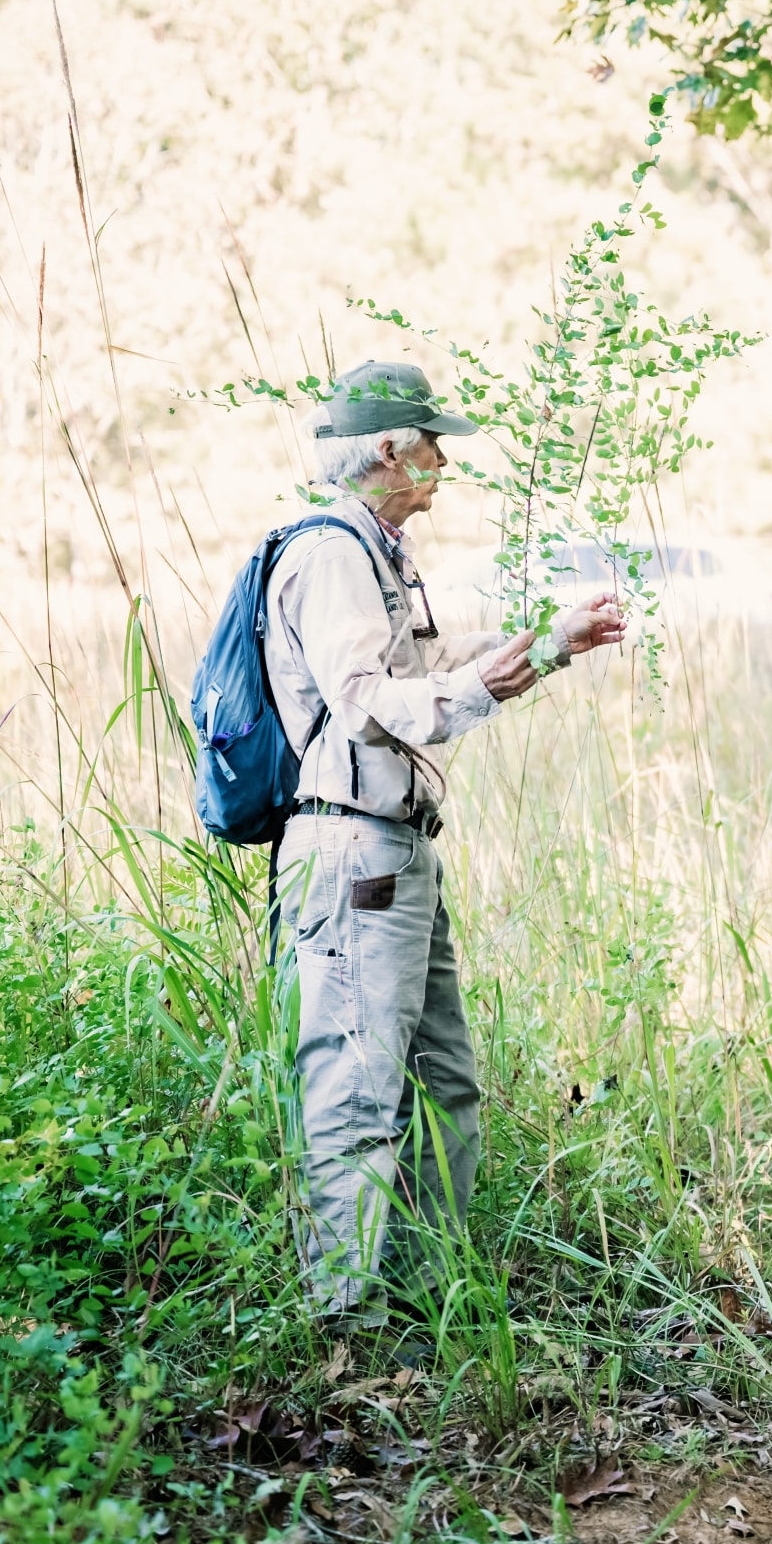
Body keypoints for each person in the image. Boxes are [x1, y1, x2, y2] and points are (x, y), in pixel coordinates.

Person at [268, 360, 625, 1324]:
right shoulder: (334, 553)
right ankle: (347, 1330)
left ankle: (431, 1309)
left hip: (393, 853)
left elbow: (422, 665)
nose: (443, 464)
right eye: (433, 445)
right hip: (353, 855)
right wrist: (484, 691)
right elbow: (366, 703)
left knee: (443, 1085)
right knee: (356, 1094)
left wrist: (545, 645)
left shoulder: (378, 550)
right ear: (387, 450)